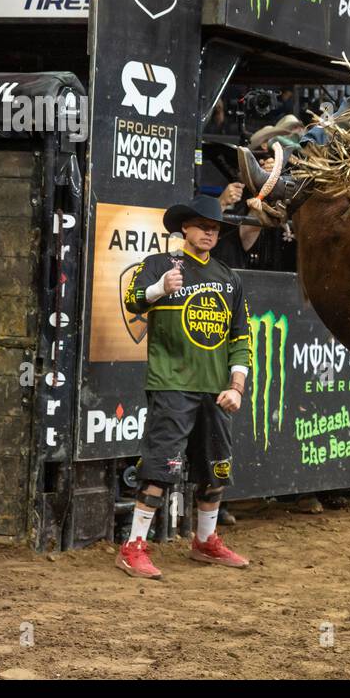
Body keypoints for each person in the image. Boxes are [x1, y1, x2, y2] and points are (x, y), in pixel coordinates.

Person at [117, 195, 252, 579]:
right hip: (172, 382)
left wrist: (237, 386)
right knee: (161, 466)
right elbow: (132, 301)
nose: (210, 233)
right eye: (202, 226)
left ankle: (205, 542)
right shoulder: (160, 264)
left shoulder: (229, 278)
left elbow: (242, 337)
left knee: (217, 468)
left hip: (216, 388)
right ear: (185, 229)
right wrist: (158, 289)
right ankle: (133, 547)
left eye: (215, 228)